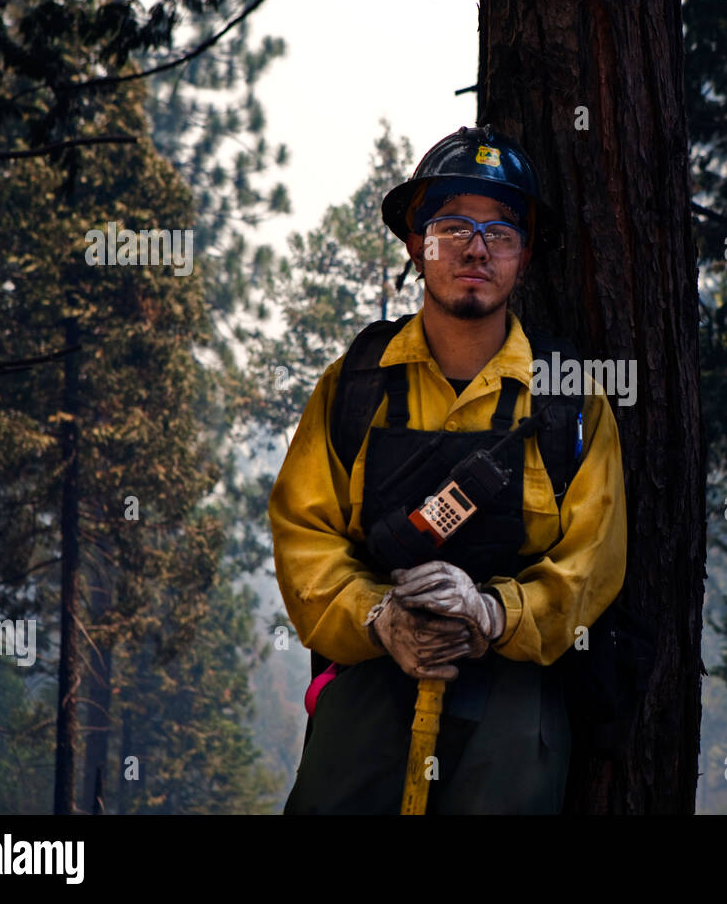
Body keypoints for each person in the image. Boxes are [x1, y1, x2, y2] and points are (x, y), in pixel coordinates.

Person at [269, 125, 628, 814]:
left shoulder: (570, 399)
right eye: (451, 224)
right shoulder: (355, 386)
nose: (475, 248)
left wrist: (492, 614)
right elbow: (303, 537)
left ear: (524, 257)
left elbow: (594, 558)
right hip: (375, 669)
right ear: (415, 242)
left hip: (517, 687)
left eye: (501, 232)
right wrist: (380, 620)